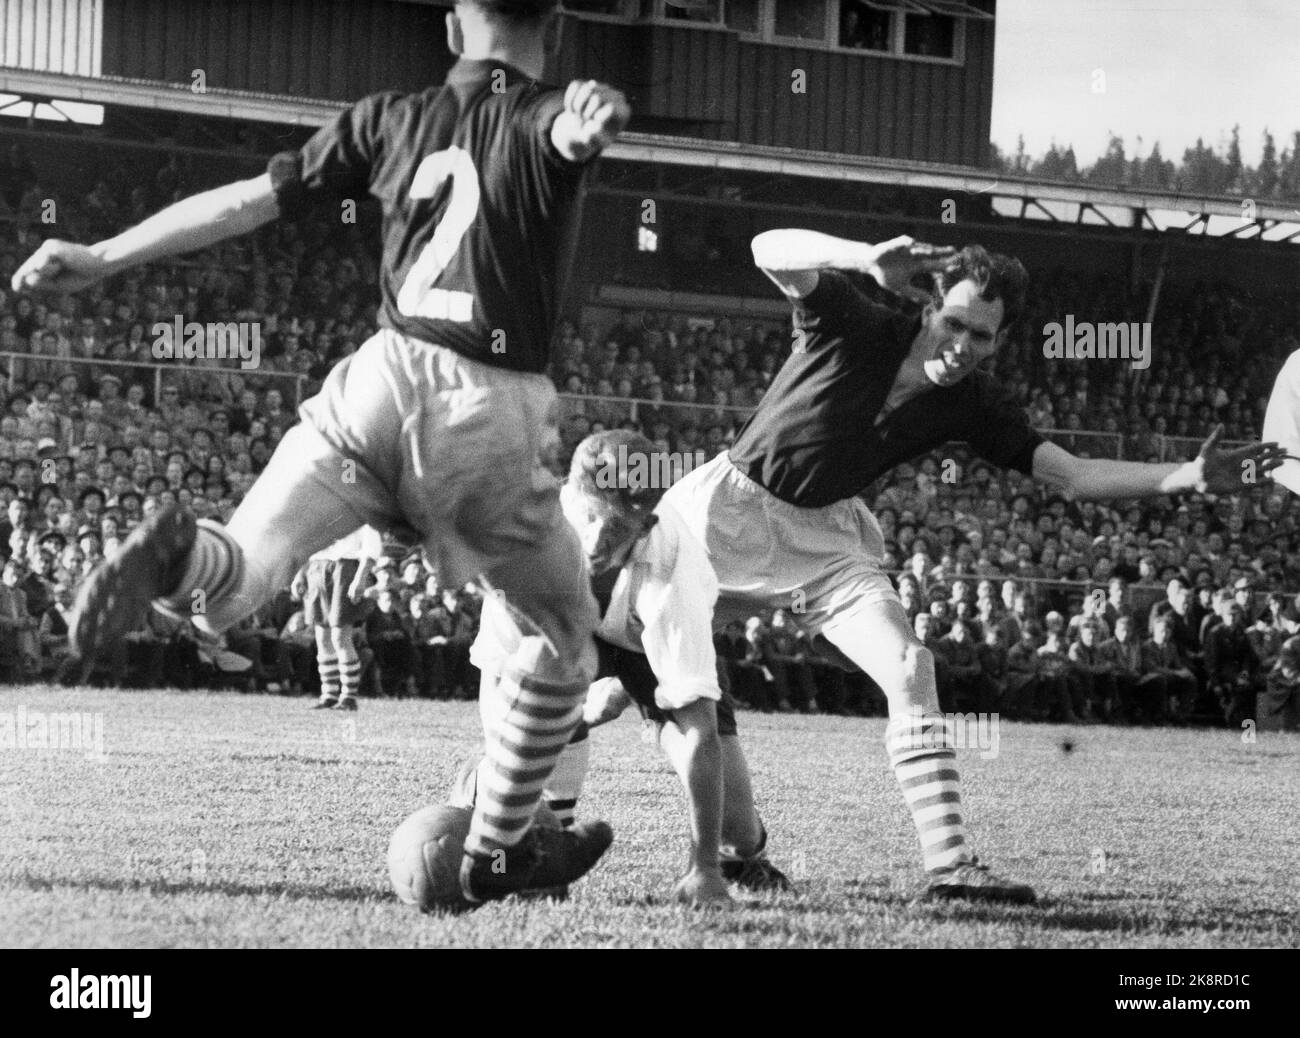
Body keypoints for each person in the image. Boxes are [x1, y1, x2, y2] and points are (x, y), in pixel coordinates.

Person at [13, 0, 630, 907]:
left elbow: (245, 203)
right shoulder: (537, 112)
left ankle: (182, 557)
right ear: (561, 31)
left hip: (375, 376)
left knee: (248, 574)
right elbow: (564, 136)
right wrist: (583, 128)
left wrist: (103, 254)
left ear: (453, 31)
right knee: (566, 639)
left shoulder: (387, 118)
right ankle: (500, 847)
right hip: (486, 404)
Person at [664, 226, 1283, 903]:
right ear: (927, 307)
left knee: (909, 666)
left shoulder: (973, 400)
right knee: (616, 668)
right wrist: (862, 256)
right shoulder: (853, 320)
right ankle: (581, 827)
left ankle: (951, 868)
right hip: (719, 519)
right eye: (954, 324)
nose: (962, 348)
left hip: (826, 538)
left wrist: (1186, 475)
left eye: (982, 336)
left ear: (999, 340)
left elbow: (1071, 475)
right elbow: (764, 247)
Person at [468, 431, 789, 904]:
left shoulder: (674, 562)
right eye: (593, 517)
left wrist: (704, 868)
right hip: (570, 633)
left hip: (644, 643)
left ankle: (741, 853)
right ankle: (553, 825)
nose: (599, 540)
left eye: (618, 527)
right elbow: (497, 682)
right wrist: (518, 811)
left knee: (736, 829)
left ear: (646, 523)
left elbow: (697, 728)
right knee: (535, 694)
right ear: (570, 493)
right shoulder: (527, 532)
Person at [291, 525, 381, 711]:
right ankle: (329, 695)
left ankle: (348, 697)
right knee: (322, 638)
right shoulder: (320, 505)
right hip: (317, 567)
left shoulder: (362, 508)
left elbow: (371, 546)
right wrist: (300, 574)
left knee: (340, 637)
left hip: (346, 566)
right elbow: (306, 543)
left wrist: (360, 577)